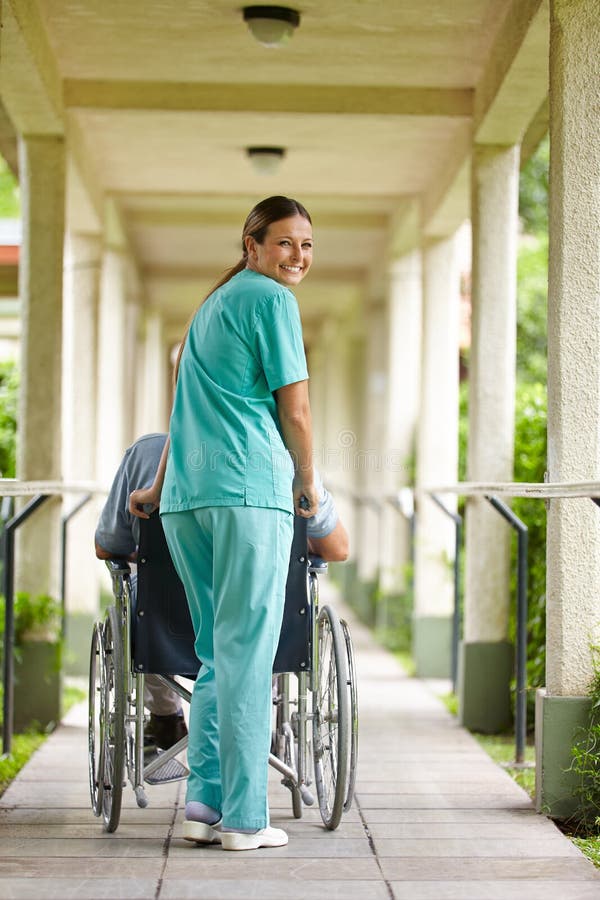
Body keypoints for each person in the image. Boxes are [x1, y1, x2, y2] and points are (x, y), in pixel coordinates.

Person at [129, 196, 320, 851]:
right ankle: (246, 818)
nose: (297, 256)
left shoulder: (211, 307)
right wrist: (309, 482)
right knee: (246, 656)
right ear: (252, 244)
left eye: (306, 245)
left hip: (188, 499)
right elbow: (295, 411)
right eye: (285, 243)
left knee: (215, 654)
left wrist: (155, 487)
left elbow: (183, 409)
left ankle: (205, 804)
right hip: (246, 491)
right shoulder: (270, 302)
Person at [94, 433, 189, 752]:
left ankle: (165, 717)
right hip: (252, 627)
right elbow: (337, 546)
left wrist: (143, 552)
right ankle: (257, 710)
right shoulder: (281, 456)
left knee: (145, 592)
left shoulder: (145, 453)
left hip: (169, 624)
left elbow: (107, 546)